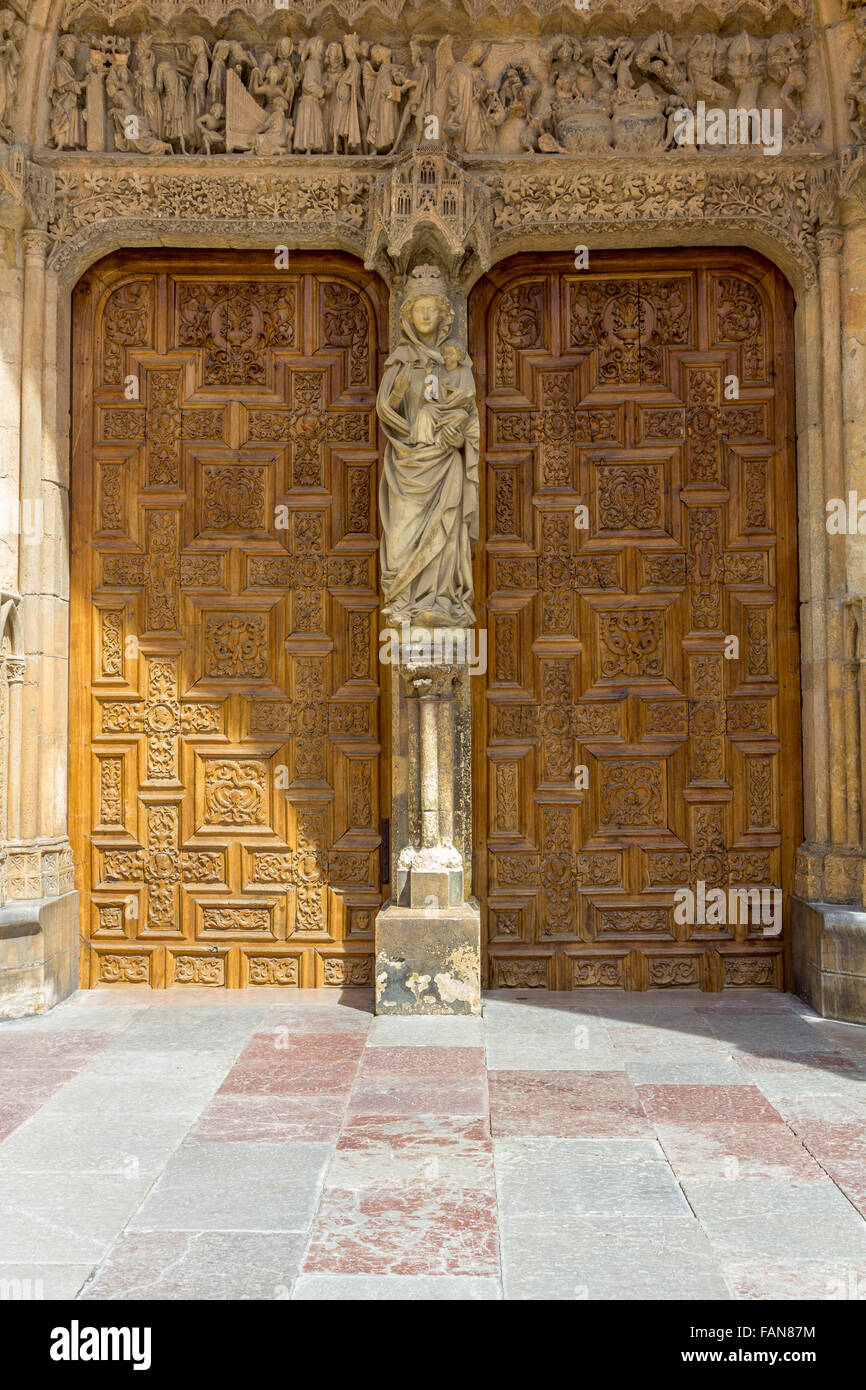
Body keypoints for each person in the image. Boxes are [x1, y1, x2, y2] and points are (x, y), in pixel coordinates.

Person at [376, 265, 479, 628]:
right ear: (406, 315)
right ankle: (403, 599)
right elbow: (386, 409)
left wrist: (459, 436)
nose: (424, 314)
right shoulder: (400, 362)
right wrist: (402, 401)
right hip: (408, 461)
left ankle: (439, 601)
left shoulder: (458, 365)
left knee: (446, 527)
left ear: (443, 315)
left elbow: (469, 414)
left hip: (444, 460)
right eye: (418, 307)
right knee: (403, 528)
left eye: (431, 307)